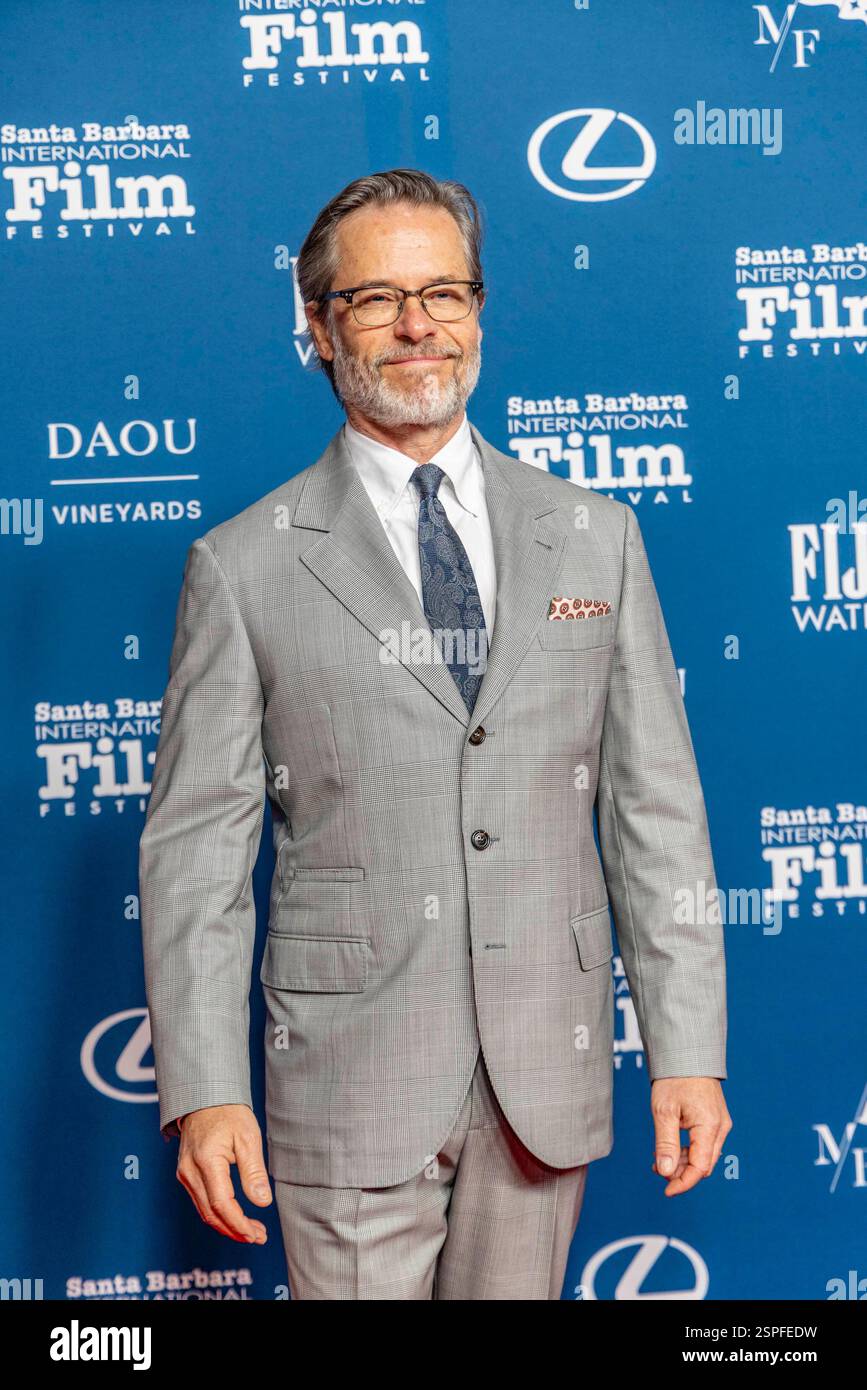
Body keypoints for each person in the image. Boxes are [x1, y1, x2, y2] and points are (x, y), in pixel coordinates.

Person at [139, 167, 731, 1301]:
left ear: (478, 311)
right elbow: (197, 854)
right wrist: (206, 1088)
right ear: (318, 326)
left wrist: (688, 1046)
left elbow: (655, 810)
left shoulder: (595, 536)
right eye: (376, 299)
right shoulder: (244, 563)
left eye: (445, 293)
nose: (418, 326)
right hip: (347, 1084)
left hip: (540, 1080)